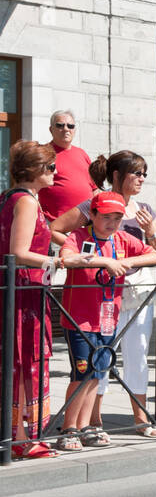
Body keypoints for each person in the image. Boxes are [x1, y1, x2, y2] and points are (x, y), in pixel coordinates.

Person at [52, 150, 156, 438]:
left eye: (144, 173)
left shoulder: (142, 210)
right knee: (94, 363)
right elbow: (57, 231)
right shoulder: (92, 207)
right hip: (90, 299)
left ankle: (140, 419)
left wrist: (149, 232)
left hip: (130, 294)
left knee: (133, 354)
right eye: (136, 172)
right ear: (116, 176)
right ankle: (88, 423)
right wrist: (87, 256)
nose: (141, 178)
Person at [2, 142, 61, 457]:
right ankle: (22, 438)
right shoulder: (25, 201)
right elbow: (18, 252)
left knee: (18, 361)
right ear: (34, 170)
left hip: (21, 292)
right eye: (50, 167)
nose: (55, 172)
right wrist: (54, 262)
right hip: (24, 293)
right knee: (27, 361)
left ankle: (17, 436)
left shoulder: (11, 198)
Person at [40, 110, 96, 220]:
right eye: (60, 125)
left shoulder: (82, 153)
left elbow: (94, 188)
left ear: (74, 130)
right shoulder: (43, 153)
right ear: (51, 129)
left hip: (86, 224)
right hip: (57, 225)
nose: (66, 129)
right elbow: (31, 186)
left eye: (70, 126)